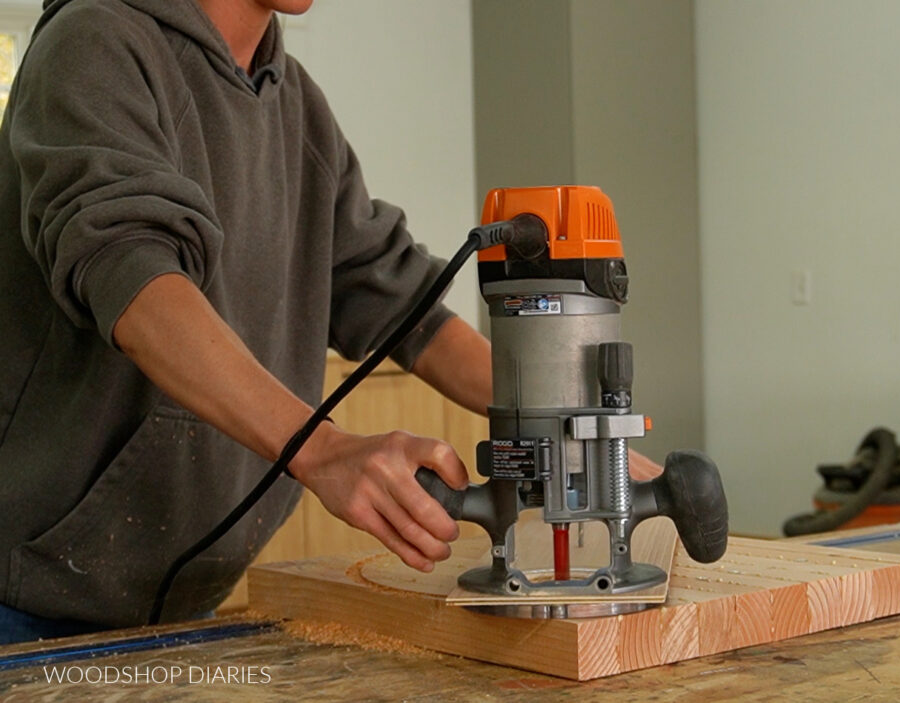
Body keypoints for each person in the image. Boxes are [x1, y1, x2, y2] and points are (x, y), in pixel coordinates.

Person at [0, 0, 661, 645]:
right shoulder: (93, 43)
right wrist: (322, 448)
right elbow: (134, 281)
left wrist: (563, 424)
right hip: (25, 606)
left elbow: (396, 299)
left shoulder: (295, 104)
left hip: (183, 603)